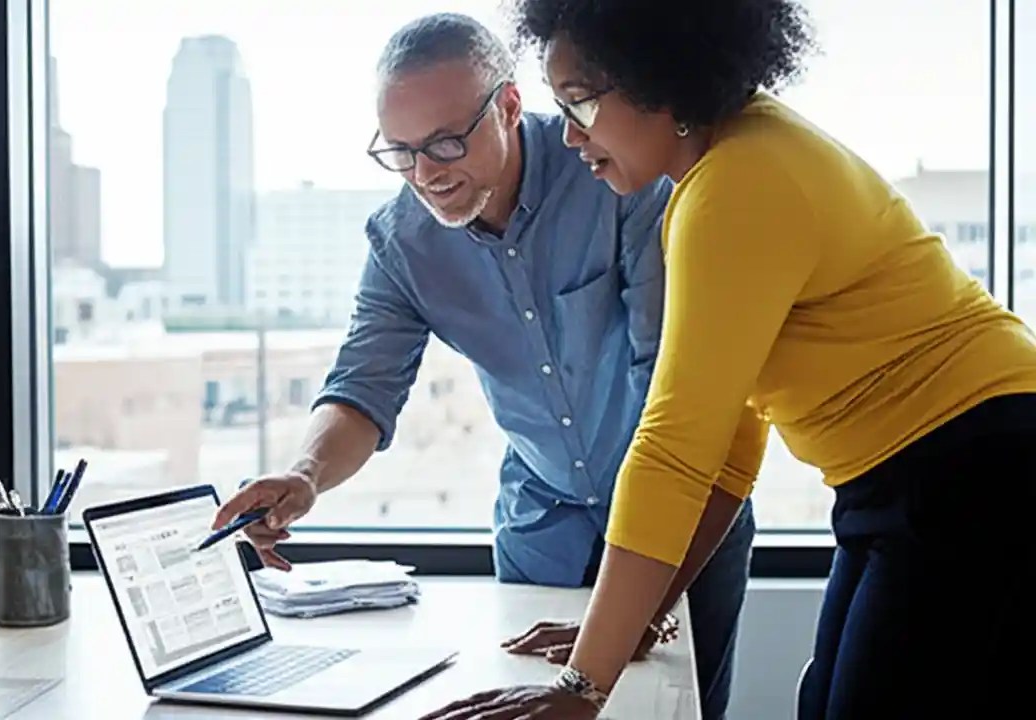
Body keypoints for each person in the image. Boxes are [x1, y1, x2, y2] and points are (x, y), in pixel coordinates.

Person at [417, 1, 1036, 719]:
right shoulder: (721, 174)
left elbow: (674, 451)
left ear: (659, 77)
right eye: (561, 106)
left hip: (978, 468)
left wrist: (581, 688)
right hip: (907, 479)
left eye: (581, 100)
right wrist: (627, 626)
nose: (573, 134)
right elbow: (727, 454)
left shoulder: (737, 186)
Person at [211, 12, 757, 719]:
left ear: (507, 105)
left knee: (669, 709)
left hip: (680, 518)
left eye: (443, 144)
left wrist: (629, 622)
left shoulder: (614, 174)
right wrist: (304, 475)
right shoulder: (400, 243)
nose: (426, 175)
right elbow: (363, 385)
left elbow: (673, 389)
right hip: (542, 531)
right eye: (401, 153)